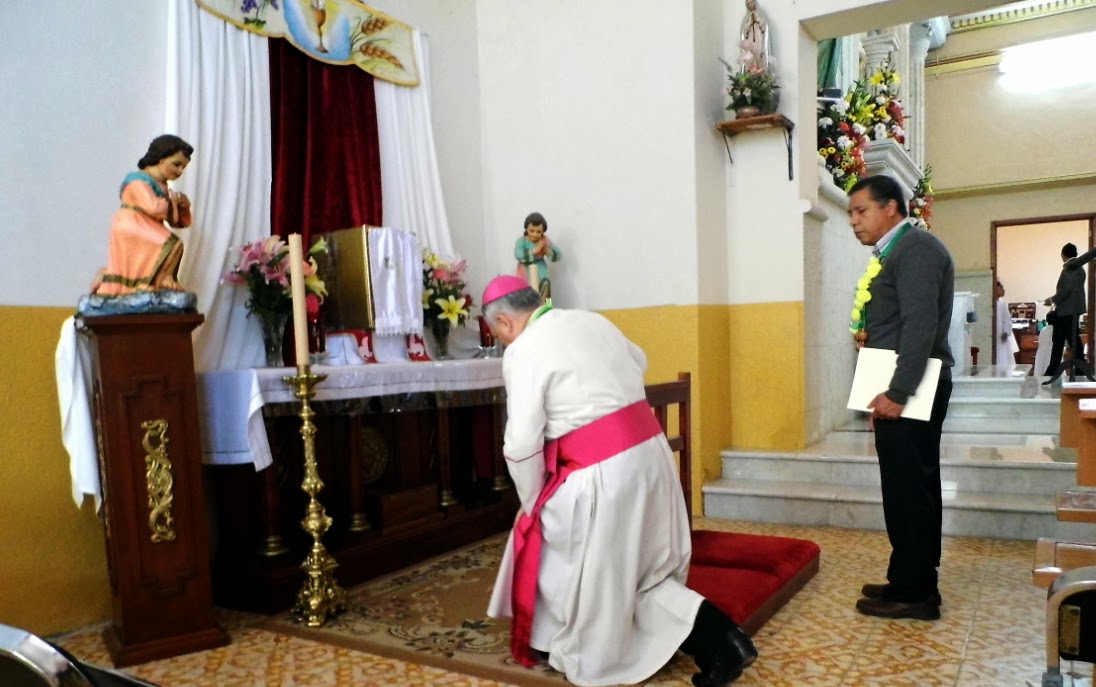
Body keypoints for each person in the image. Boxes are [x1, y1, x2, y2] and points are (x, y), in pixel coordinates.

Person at [482, 275, 756, 687]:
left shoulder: (523, 350)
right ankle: (722, 640)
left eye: (498, 334)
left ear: (504, 323)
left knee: (578, 559)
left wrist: (532, 497)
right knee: (645, 571)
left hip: (604, 473)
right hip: (650, 456)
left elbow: (520, 443)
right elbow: (638, 360)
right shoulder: (592, 321)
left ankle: (709, 643)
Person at [846, 175, 954, 621]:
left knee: (910, 490)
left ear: (892, 207)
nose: (854, 221)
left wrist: (897, 391)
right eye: (851, 212)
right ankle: (908, 576)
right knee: (906, 486)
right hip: (899, 381)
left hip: (911, 382)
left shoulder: (916, 250)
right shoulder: (897, 251)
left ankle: (915, 591)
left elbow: (920, 325)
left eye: (861, 211)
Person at [92, 135, 194, 295]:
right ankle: (144, 281)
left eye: (183, 167)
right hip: (131, 224)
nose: (180, 171)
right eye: (176, 164)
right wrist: (173, 200)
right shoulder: (137, 181)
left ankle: (162, 279)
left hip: (147, 224)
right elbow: (154, 207)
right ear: (161, 158)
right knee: (169, 243)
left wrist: (183, 206)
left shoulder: (162, 185)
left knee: (175, 244)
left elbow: (175, 220)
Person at [1042, 242, 1096, 376]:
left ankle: (1069, 370)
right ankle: (1059, 370)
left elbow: (1066, 289)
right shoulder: (1077, 267)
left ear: (1063, 255)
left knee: (1067, 342)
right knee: (1066, 341)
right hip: (1070, 310)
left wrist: (1053, 300)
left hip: (1067, 311)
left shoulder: (1071, 267)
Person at [514, 212, 562, 301]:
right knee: (525, 291)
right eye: (532, 231)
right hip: (525, 269)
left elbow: (558, 255)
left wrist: (547, 251)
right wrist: (535, 250)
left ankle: (544, 309)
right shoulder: (521, 241)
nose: (535, 234)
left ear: (543, 232)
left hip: (540, 269)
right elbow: (518, 254)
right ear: (526, 229)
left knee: (544, 287)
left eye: (539, 232)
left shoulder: (544, 240)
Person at [994, 281, 1019, 377]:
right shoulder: (992, 303)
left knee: (1004, 358)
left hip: (1002, 335)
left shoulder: (1002, 303)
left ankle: (1004, 374)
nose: (1003, 290)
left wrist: (1005, 332)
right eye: (1001, 288)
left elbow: (1007, 319)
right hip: (994, 336)